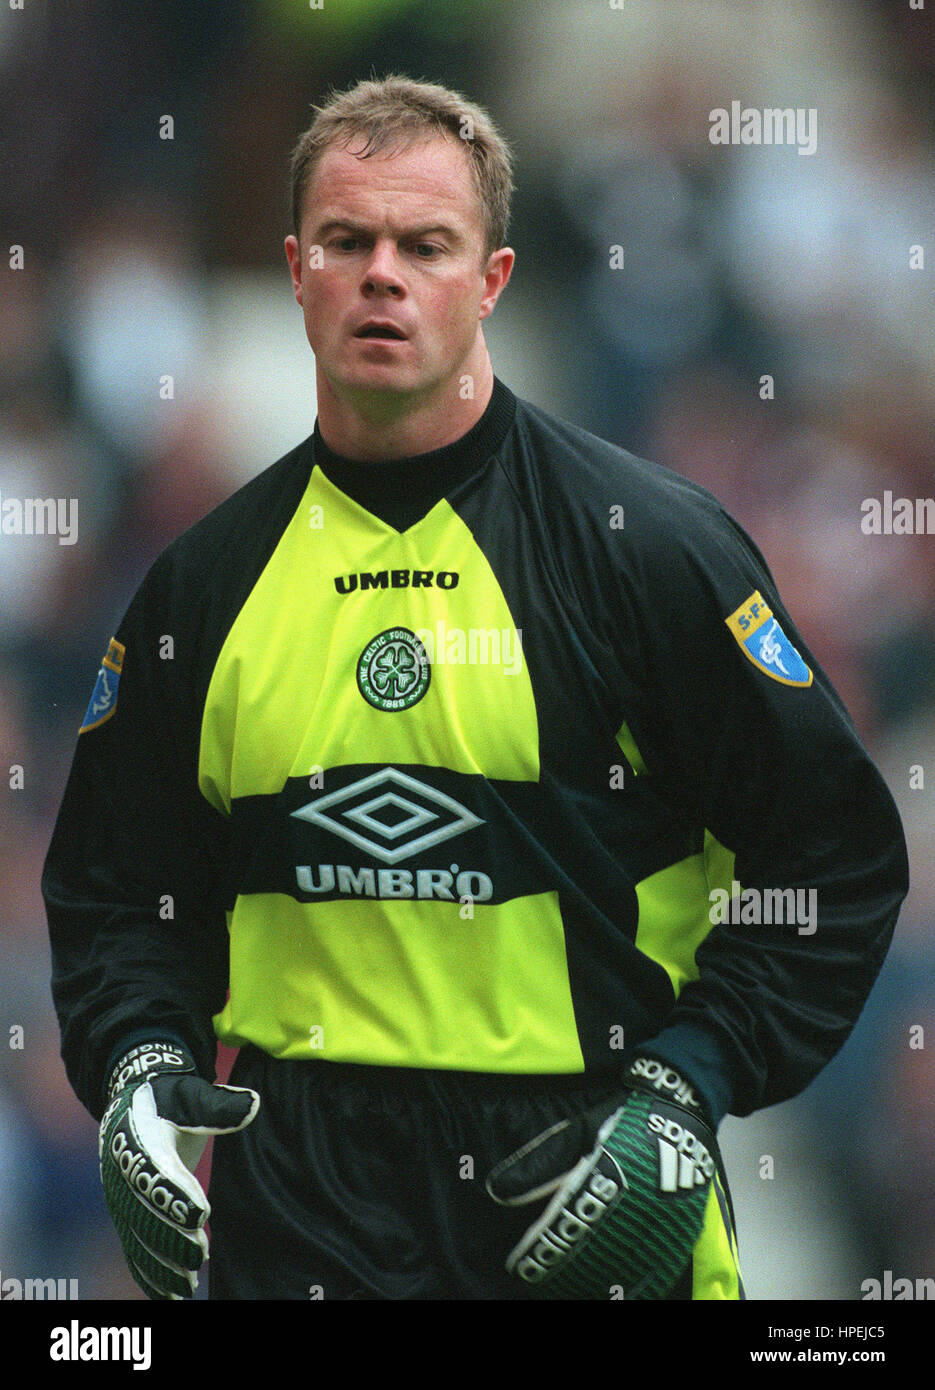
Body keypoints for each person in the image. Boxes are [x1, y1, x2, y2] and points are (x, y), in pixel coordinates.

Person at [43, 73, 909, 1301]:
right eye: (347, 242)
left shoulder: (647, 550)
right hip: (294, 1225)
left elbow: (831, 857)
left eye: (424, 244)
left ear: (492, 278)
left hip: (585, 1207)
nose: (381, 274)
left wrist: (685, 1083)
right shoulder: (201, 588)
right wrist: (136, 1063)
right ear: (296, 269)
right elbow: (119, 893)